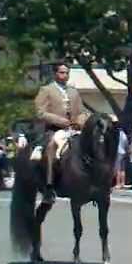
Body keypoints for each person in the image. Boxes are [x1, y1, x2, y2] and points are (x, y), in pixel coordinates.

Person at [34, 62, 87, 194]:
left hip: (74, 129)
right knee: (52, 146)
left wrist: (81, 119)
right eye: (62, 72)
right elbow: (40, 112)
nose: (65, 75)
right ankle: (49, 183)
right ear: (55, 74)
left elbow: (82, 111)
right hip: (54, 129)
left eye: (67, 73)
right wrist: (60, 121)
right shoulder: (46, 90)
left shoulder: (74, 91)